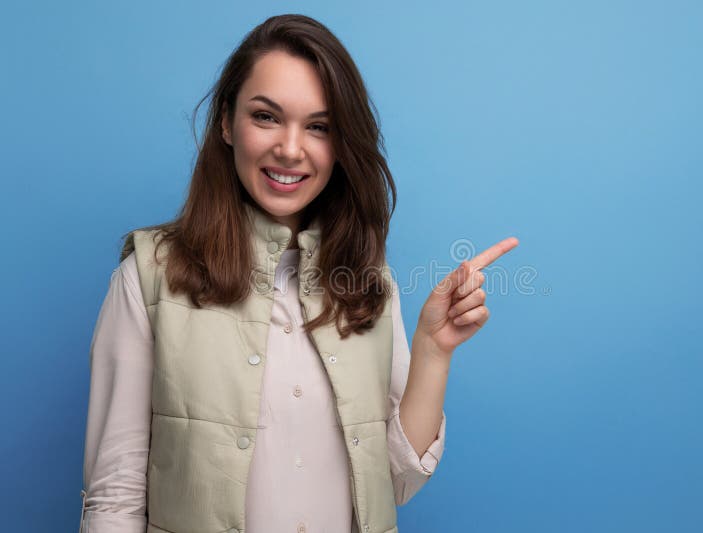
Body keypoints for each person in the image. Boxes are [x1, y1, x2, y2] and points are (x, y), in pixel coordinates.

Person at [79, 13, 518, 533]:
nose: (290, 148)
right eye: (266, 117)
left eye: (318, 127)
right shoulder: (147, 277)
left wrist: (432, 349)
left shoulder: (368, 282)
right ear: (226, 121)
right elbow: (114, 498)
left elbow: (397, 482)